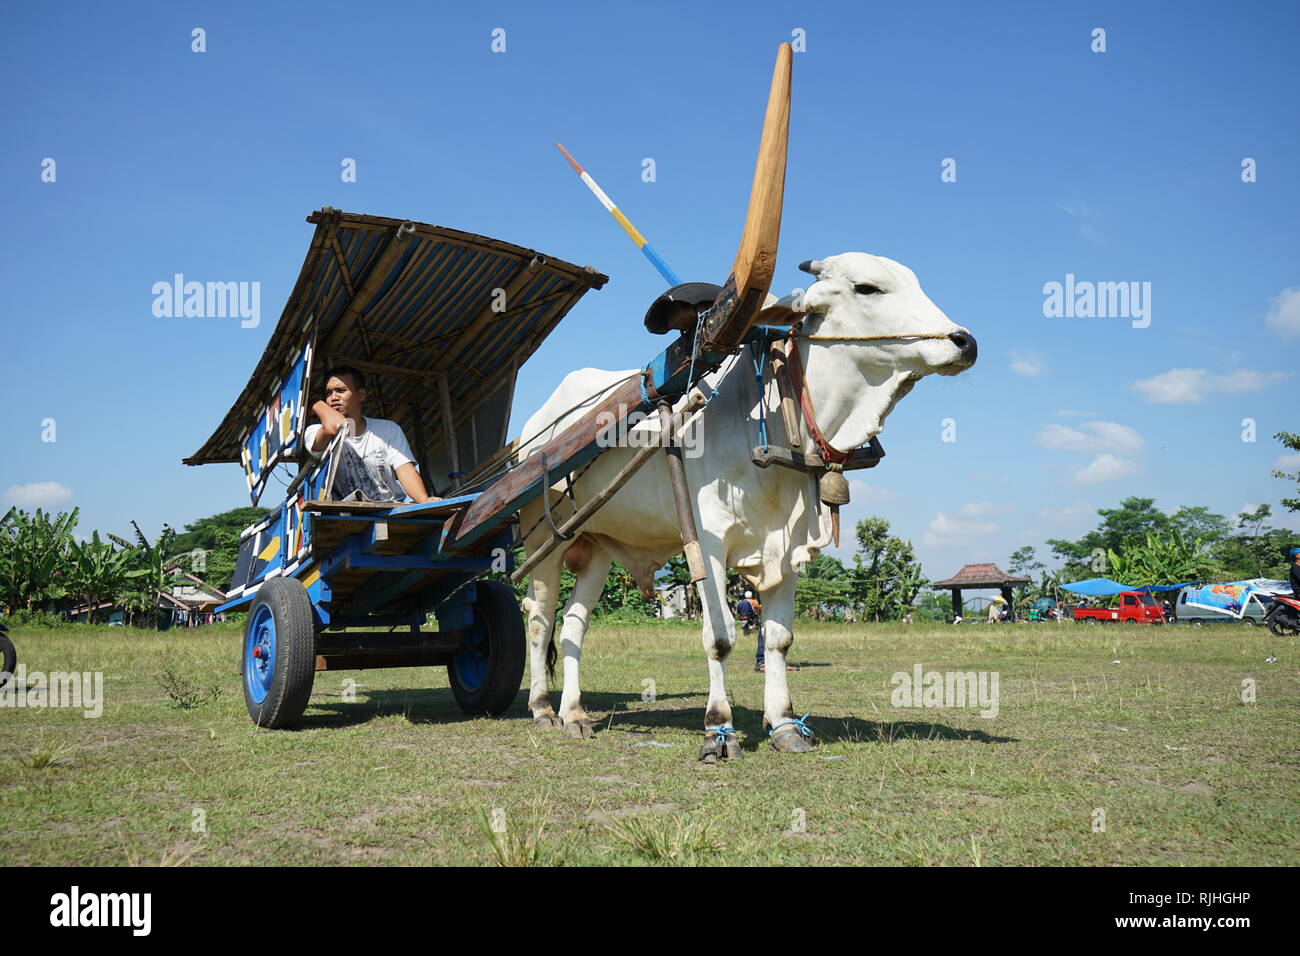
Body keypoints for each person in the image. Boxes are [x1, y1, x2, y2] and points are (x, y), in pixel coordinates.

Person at [305, 366, 438, 504]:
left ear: (361, 395)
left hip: (390, 510)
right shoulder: (314, 432)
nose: (333, 397)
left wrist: (424, 499)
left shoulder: (388, 429)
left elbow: (404, 468)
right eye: (328, 393)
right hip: (346, 514)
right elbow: (338, 425)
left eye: (341, 390)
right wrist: (316, 404)